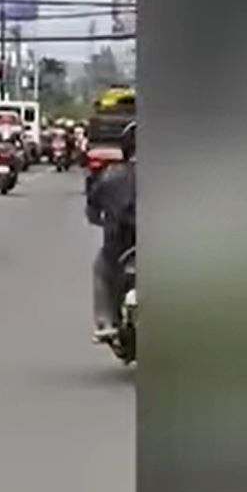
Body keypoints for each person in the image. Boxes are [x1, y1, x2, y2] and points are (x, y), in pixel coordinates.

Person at [89, 120, 136, 344]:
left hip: (121, 244)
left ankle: (105, 322)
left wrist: (102, 220)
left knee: (101, 268)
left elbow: (92, 208)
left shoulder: (111, 175)